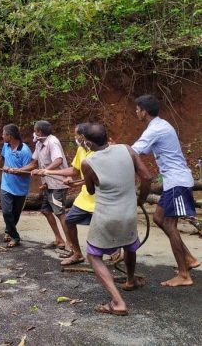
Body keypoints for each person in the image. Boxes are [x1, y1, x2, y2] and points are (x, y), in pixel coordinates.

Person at [81, 123, 152, 316]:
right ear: (107, 136)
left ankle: (118, 301)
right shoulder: (127, 150)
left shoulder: (88, 163)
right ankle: (130, 280)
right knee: (129, 245)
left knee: (94, 255)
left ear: (87, 143)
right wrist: (142, 199)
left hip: (107, 216)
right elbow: (147, 177)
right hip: (129, 212)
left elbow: (90, 190)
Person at [132, 94, 199, 287]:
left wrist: (113, 151)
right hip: (173, 181)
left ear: (144, 111)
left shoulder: (156, 129)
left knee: (169, 224)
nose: (136, 112)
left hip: (177, 182)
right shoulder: (159, 125)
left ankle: (185, 275)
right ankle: (189, 259)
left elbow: (134, 151)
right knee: (159, 218)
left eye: (137, 109)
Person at [37, 123, 93, 265]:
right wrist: (50, 172)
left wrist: (49, 171)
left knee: (103, 225)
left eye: (76, 134)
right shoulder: (81, 150)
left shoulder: (99, 152)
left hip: (101, 198)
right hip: (85, 197)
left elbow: (97, 178)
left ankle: (115, 251)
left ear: (83, 136)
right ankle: (77, 253)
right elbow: (74, 171)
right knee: (69, 220)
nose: (74, 137)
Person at [21, 120, 70, 250]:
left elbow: (58, 160)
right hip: (48, 185)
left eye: (35, 130)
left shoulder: (52, 142)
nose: (34, 133)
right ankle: (59, 240)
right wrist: (17, 170)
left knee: (60, 213)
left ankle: (71, 245)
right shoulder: (39, 143)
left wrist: (46, 170)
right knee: (46, 210)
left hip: (58, 184)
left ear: (40, 132)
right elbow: (33, 163)